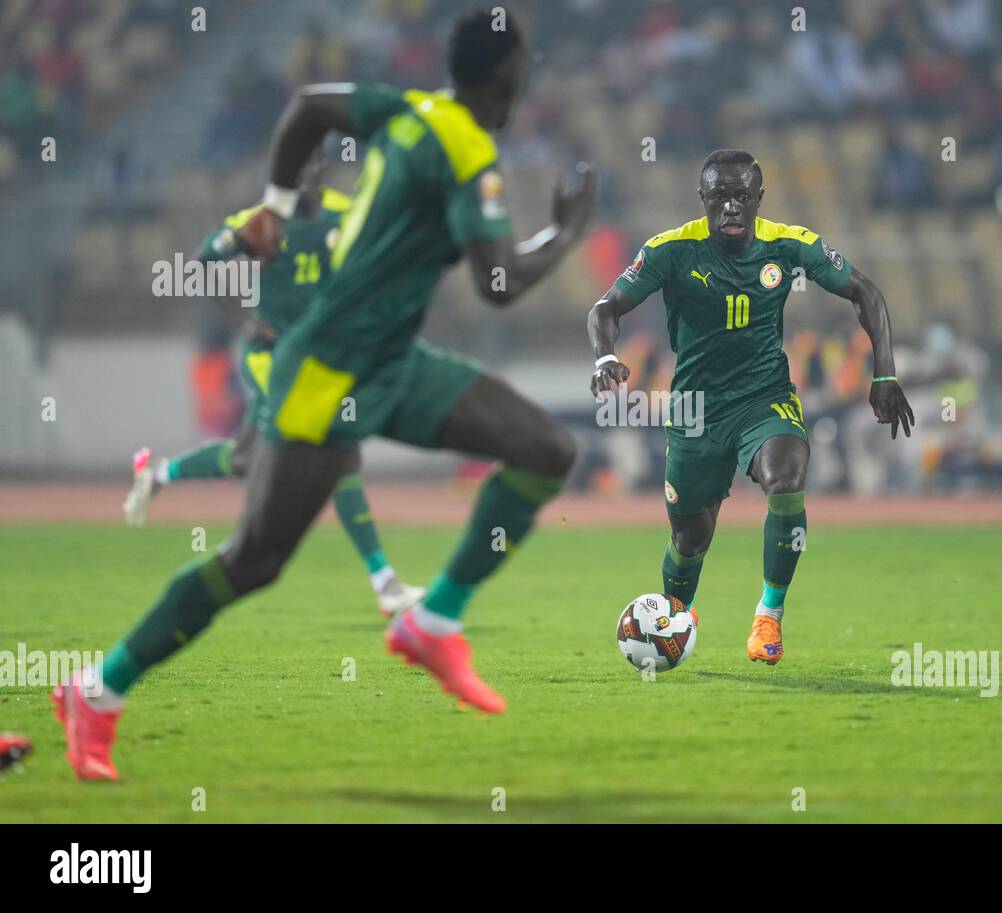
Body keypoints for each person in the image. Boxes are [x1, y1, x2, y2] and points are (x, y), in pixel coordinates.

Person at [53, 8, 597, 780]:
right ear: (509, 71)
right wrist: (565, 236)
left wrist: (273, 208)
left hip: (391, 361)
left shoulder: (407, 110)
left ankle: (431, 620)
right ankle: (95, 691)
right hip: (327, 371)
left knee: (547, 448)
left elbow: (310, 104)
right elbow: (499, 283)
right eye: (526, 63)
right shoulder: (469, 151)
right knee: (253, 560)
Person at [588, 149, 913, 666]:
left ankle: (769, 615)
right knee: (690, 538)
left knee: (787, 475)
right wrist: (606, 355)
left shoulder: (789, 245)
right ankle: (675, 617)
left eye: (743, 196)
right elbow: (606, 307)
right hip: (694, 410)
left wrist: (885, 372)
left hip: (765, 398)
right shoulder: (671, 250)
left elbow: (865, 292)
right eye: (721, 197)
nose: (732, 207)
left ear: (760, 198)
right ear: (703, 199)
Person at [123, 159, 424, 616]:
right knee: (337, 448)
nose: (301, 175)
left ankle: (158, 474)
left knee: (247, 458)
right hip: (272, 361)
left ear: (321, 169)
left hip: (319, 362)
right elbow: (201, 264)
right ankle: (383, 581)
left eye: (309, 164)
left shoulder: (345, 212)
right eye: (293, 165)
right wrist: (244, 320)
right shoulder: (260, 220)